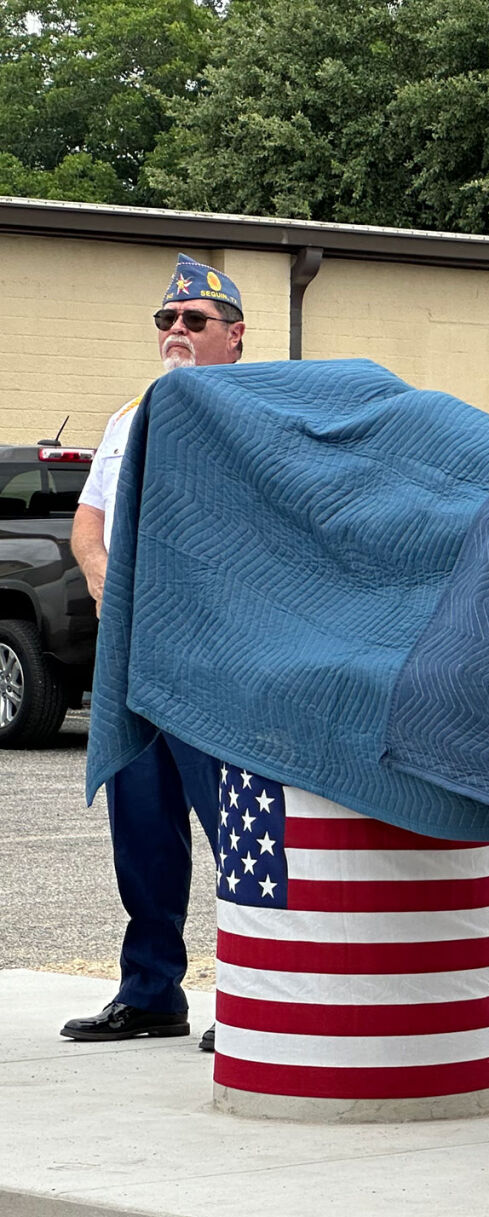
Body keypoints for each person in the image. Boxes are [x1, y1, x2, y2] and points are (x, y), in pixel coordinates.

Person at [60, 255, 245, 1052]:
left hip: (210, 650)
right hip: (131, 648)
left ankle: (251, 995)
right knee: (141, 822)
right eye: (166, 320)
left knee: (234, 823)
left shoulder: (249, 411)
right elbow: (87, 524)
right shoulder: (130, 414)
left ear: (234, 338)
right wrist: (106, 579)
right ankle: (151, 992)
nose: (175, 330)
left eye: (194, 320)